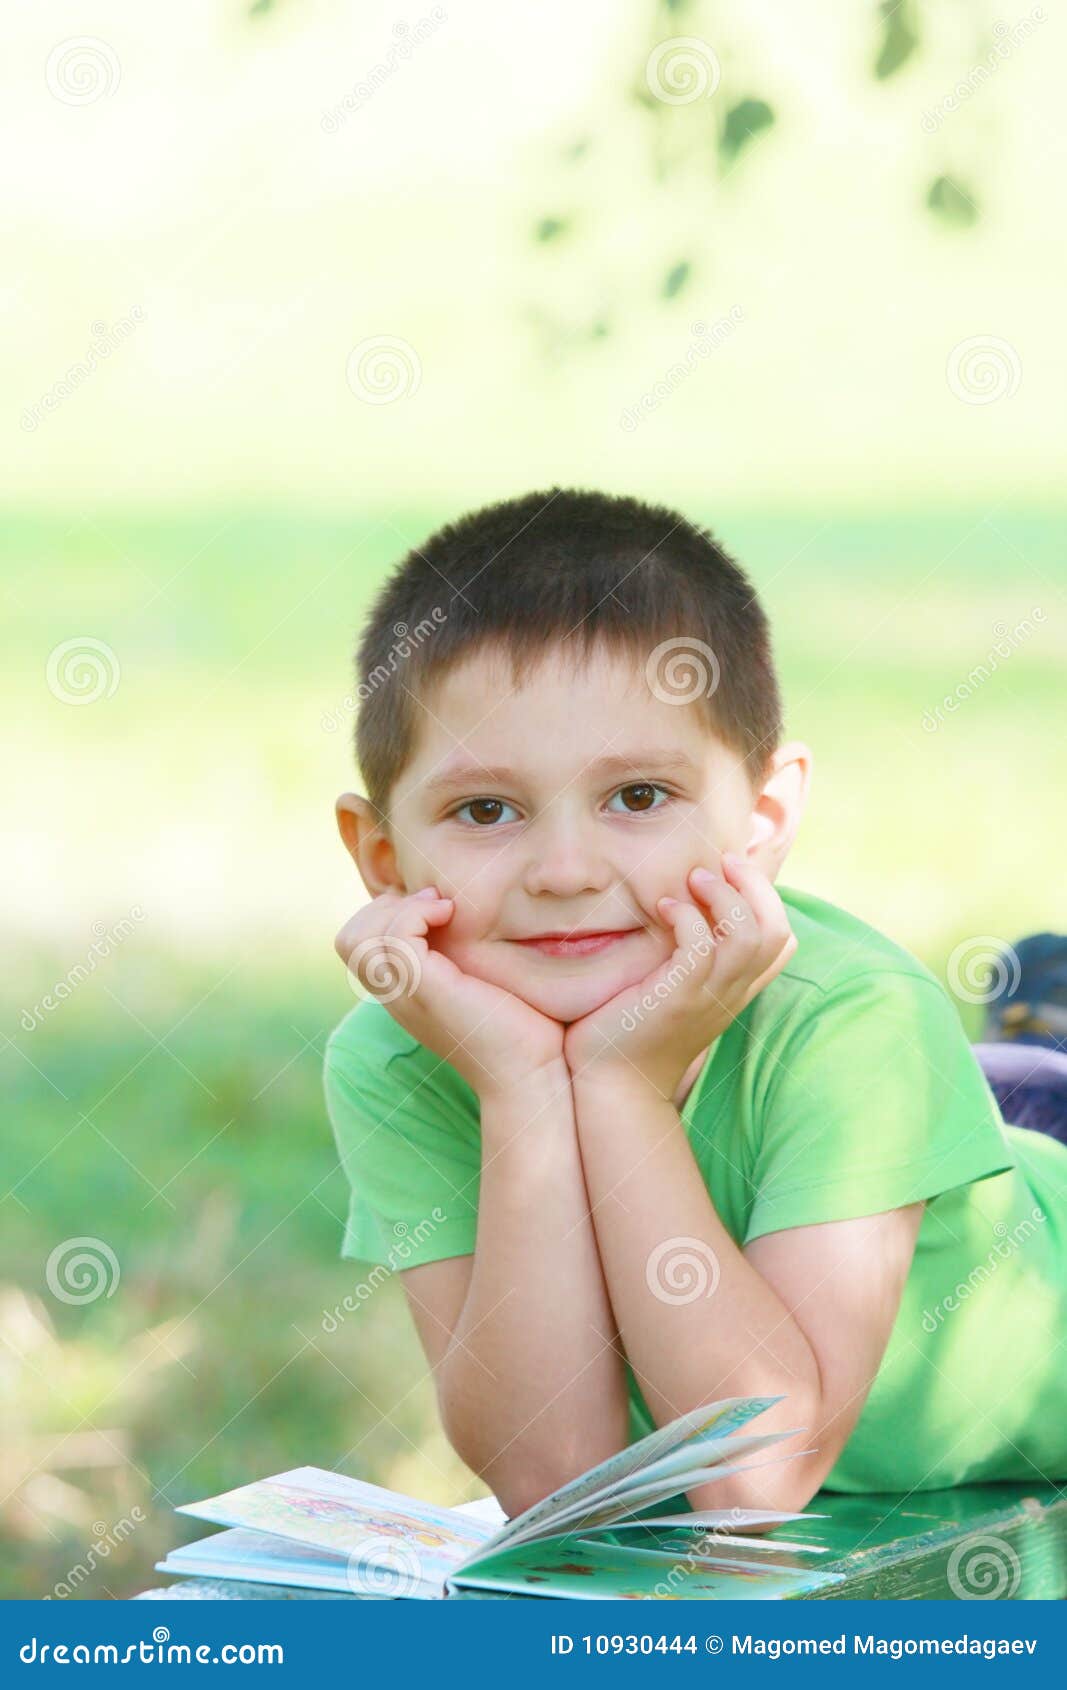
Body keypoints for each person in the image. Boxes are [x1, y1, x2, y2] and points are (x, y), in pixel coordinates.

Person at [323, 488, 1067, 1522]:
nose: (565, 871)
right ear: (381, 854)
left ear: (761, 817)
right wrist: (524, 1091)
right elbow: (556, 1484)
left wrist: (619, 1088)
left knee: (1027, 1098)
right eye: (485, 810)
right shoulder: (401, 1058)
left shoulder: (861, 1022)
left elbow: (748, 1480)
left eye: (637, 796)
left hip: (1030, 1209)